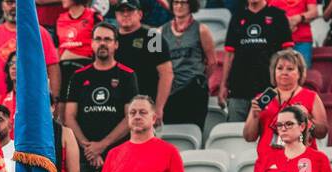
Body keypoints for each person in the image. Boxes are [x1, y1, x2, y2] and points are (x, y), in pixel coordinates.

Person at [63, 23, 138, 172]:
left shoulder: (127, 75)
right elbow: (69, 116)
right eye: (98, 39)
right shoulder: (79, 76)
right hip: (84, 156)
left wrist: (102, 146)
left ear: (116, 45)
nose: (102, 43)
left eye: (107, 39)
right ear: (92, 43)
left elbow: (130, 117)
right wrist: (89, 147)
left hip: (117, 155)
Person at [245, 48, 328, 171]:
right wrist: (254, 115)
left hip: (302, 166)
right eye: (279, 68)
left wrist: (307, 118)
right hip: (269, 166)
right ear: (273, 72)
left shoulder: (311, 97)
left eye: (290, 69)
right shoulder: (262, 98)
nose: (284, 72)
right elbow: (249, 137)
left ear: (300, 73)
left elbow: (322, 132)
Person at [219, 0, 292, 122]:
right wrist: (223, 85)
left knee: (266, 132)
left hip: (268, 89)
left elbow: (288, 54)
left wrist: (284, 83)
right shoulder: (237, 16)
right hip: (238, 89)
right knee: (236, 134)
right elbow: (229, 54)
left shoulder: (278, 16)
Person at [159, 0, 216, 133]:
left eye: (183, 2)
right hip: (171, 92)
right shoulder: (159, 31)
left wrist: (200, 78)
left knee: (193, 131)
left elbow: (212, 62)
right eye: (176, 3)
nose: (179, 6)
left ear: (191, 5)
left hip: (193, 92)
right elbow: (153, 63)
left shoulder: (202, 29)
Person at [113, 1, 173, 126]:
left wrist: (159, 107)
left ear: (140, 14)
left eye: (130, 10)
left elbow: (166, 73)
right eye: (121, 11)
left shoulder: (152, 35)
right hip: (118, 106)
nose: (125, 14)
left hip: (146, 104)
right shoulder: (111, 38)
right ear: (116, 15)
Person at [0, 0, 61, 101]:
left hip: (33, 103)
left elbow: (53, 69)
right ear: (2, 5)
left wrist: (55, 100)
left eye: (18, 3)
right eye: (9, 2)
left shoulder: (40, 34)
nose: (14, 6)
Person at [55, 0, 99, 95]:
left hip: (85, 67)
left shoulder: (94, 16)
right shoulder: (60, 19)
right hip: (63, 69)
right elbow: (56, 47)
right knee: (59, 101)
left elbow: (99, 45)